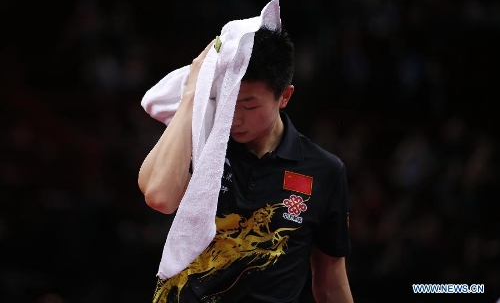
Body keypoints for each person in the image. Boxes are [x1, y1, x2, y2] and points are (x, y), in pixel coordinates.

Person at [138, 26, 354, 303]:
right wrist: (194, 90)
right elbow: (159, 197)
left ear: (284, 97)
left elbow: (330, 282)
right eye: (228, 101)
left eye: (249, 106)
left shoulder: (325, 171)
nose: (234, 117)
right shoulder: (203, 137)